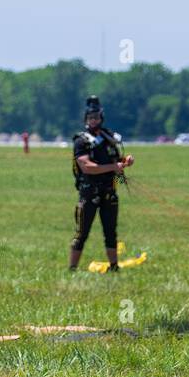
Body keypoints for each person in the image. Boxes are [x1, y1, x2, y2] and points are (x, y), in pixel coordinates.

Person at [69, 97, 133, 272]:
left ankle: (114, 267)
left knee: (111, 232)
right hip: (89, 193)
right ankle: (72, 269)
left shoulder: (109, 139)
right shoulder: (81, 141)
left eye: (96, 117)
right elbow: (87, 167)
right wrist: (114, 166)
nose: (93, 121)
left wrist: (124, 163)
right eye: (90, 118)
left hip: (110, 192)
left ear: (101, 118)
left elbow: (116, 165)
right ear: (85, 120)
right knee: (82, 233)